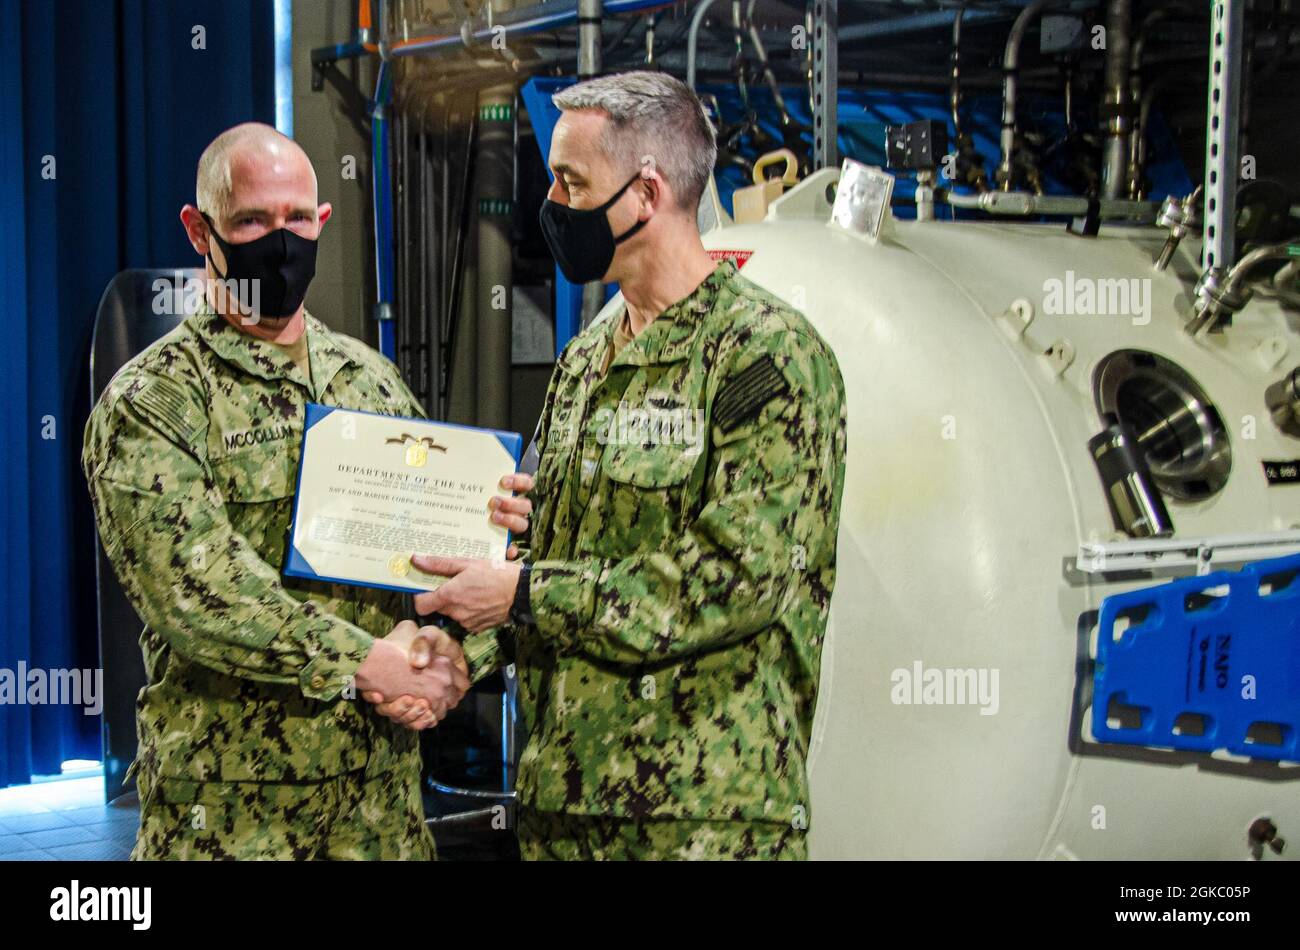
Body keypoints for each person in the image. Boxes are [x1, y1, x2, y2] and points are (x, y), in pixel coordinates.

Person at [385, 71, 848, 860]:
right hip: (563, 805)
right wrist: (464, 645)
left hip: (701, 818)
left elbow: (738, 578)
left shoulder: (766, 357)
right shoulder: (589, 356)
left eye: (572, 182)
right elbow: (550, 558)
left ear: (646, 192)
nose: (554, 206)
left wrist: (522, 594)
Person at [81, 123, 528, 859]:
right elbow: (198, 591)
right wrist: (364, 659)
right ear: (201, 231)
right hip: (233, 817)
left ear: (321, 224)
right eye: (251, 220)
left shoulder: (369, 382)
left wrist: (449, 661)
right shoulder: (154, 401)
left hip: (377, 810)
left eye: (294, 219)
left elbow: (450, 561)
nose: (278, 240)